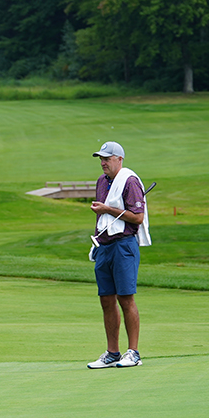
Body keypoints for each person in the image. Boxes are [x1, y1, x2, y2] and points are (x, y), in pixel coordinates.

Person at [86, 142, 150, 369]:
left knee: (125, 298)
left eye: (107, 158)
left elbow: (138, 217)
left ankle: (133, 353)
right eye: (101, 159)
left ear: (119, 159)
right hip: (104, 245)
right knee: (106, 299)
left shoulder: (129, 181)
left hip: (124, 245)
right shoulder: (102, 181)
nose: (103, 163)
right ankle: (113, 352)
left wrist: (107, 209)